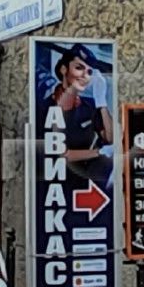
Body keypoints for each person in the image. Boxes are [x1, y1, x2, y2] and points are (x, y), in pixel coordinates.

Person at [45, 45, 112, 188]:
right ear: (64, 69)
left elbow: (109, 137)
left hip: (86, 182)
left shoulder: (89, 105)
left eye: (89, 71)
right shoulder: (47, 107)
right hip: (57, 184)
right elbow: (61, 153)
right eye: (79, 68)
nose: (85, 75)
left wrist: (101, 101)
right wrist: (98, 152)